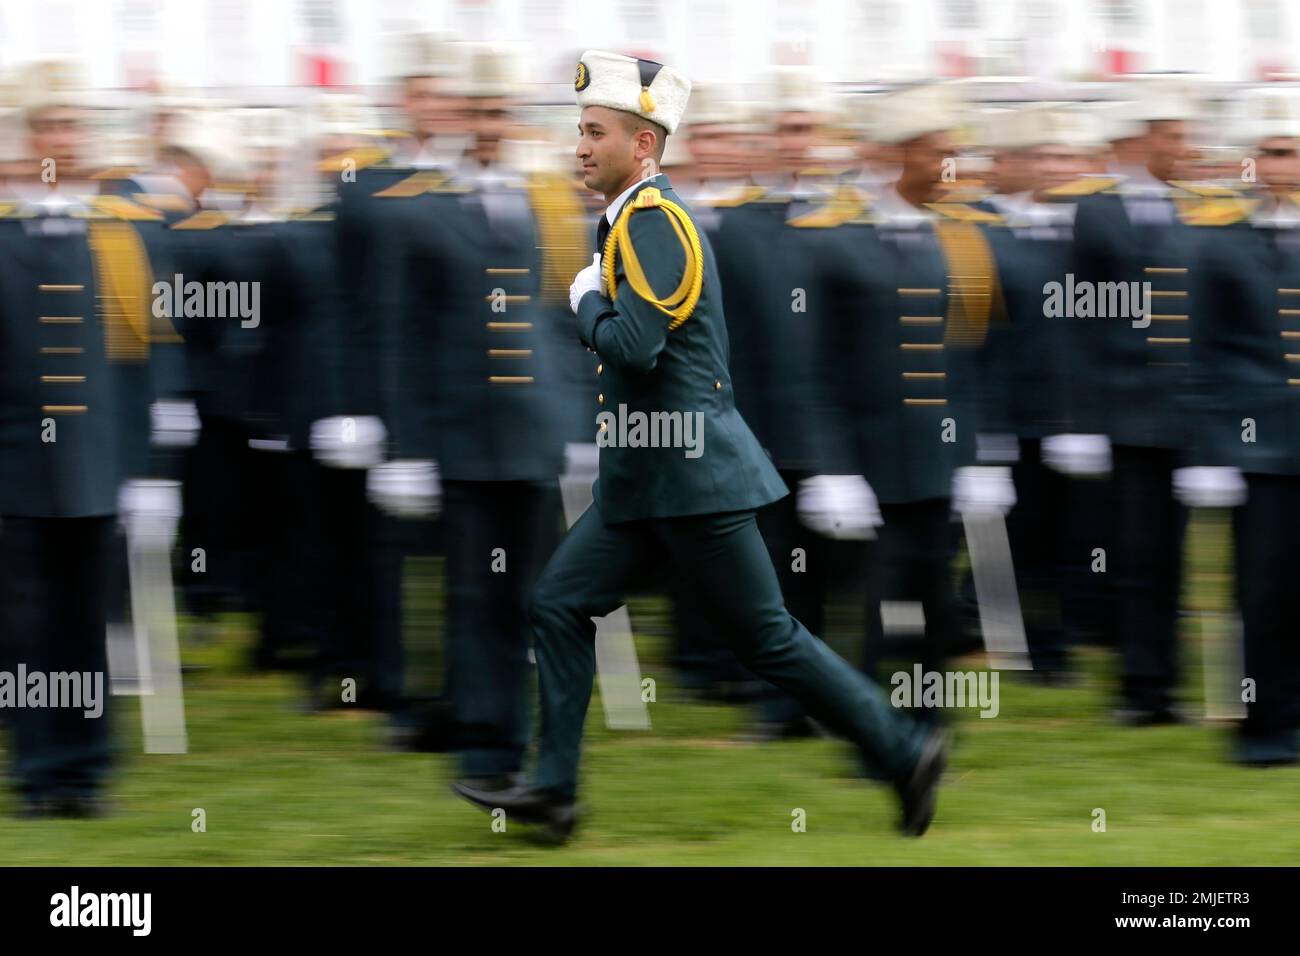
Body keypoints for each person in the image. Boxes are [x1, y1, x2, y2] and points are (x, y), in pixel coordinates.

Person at [452, 50, 948, 844]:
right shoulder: (627, 219)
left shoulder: (656, 224)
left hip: (688, 480)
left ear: (642, 146)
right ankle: (553, 793)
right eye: (578, 131)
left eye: (594, 132)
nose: (578, 146)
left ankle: (904, 749)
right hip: (648, 479)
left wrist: (583, 302)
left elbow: (637, 345)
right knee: (558, 603)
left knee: (768, 638)